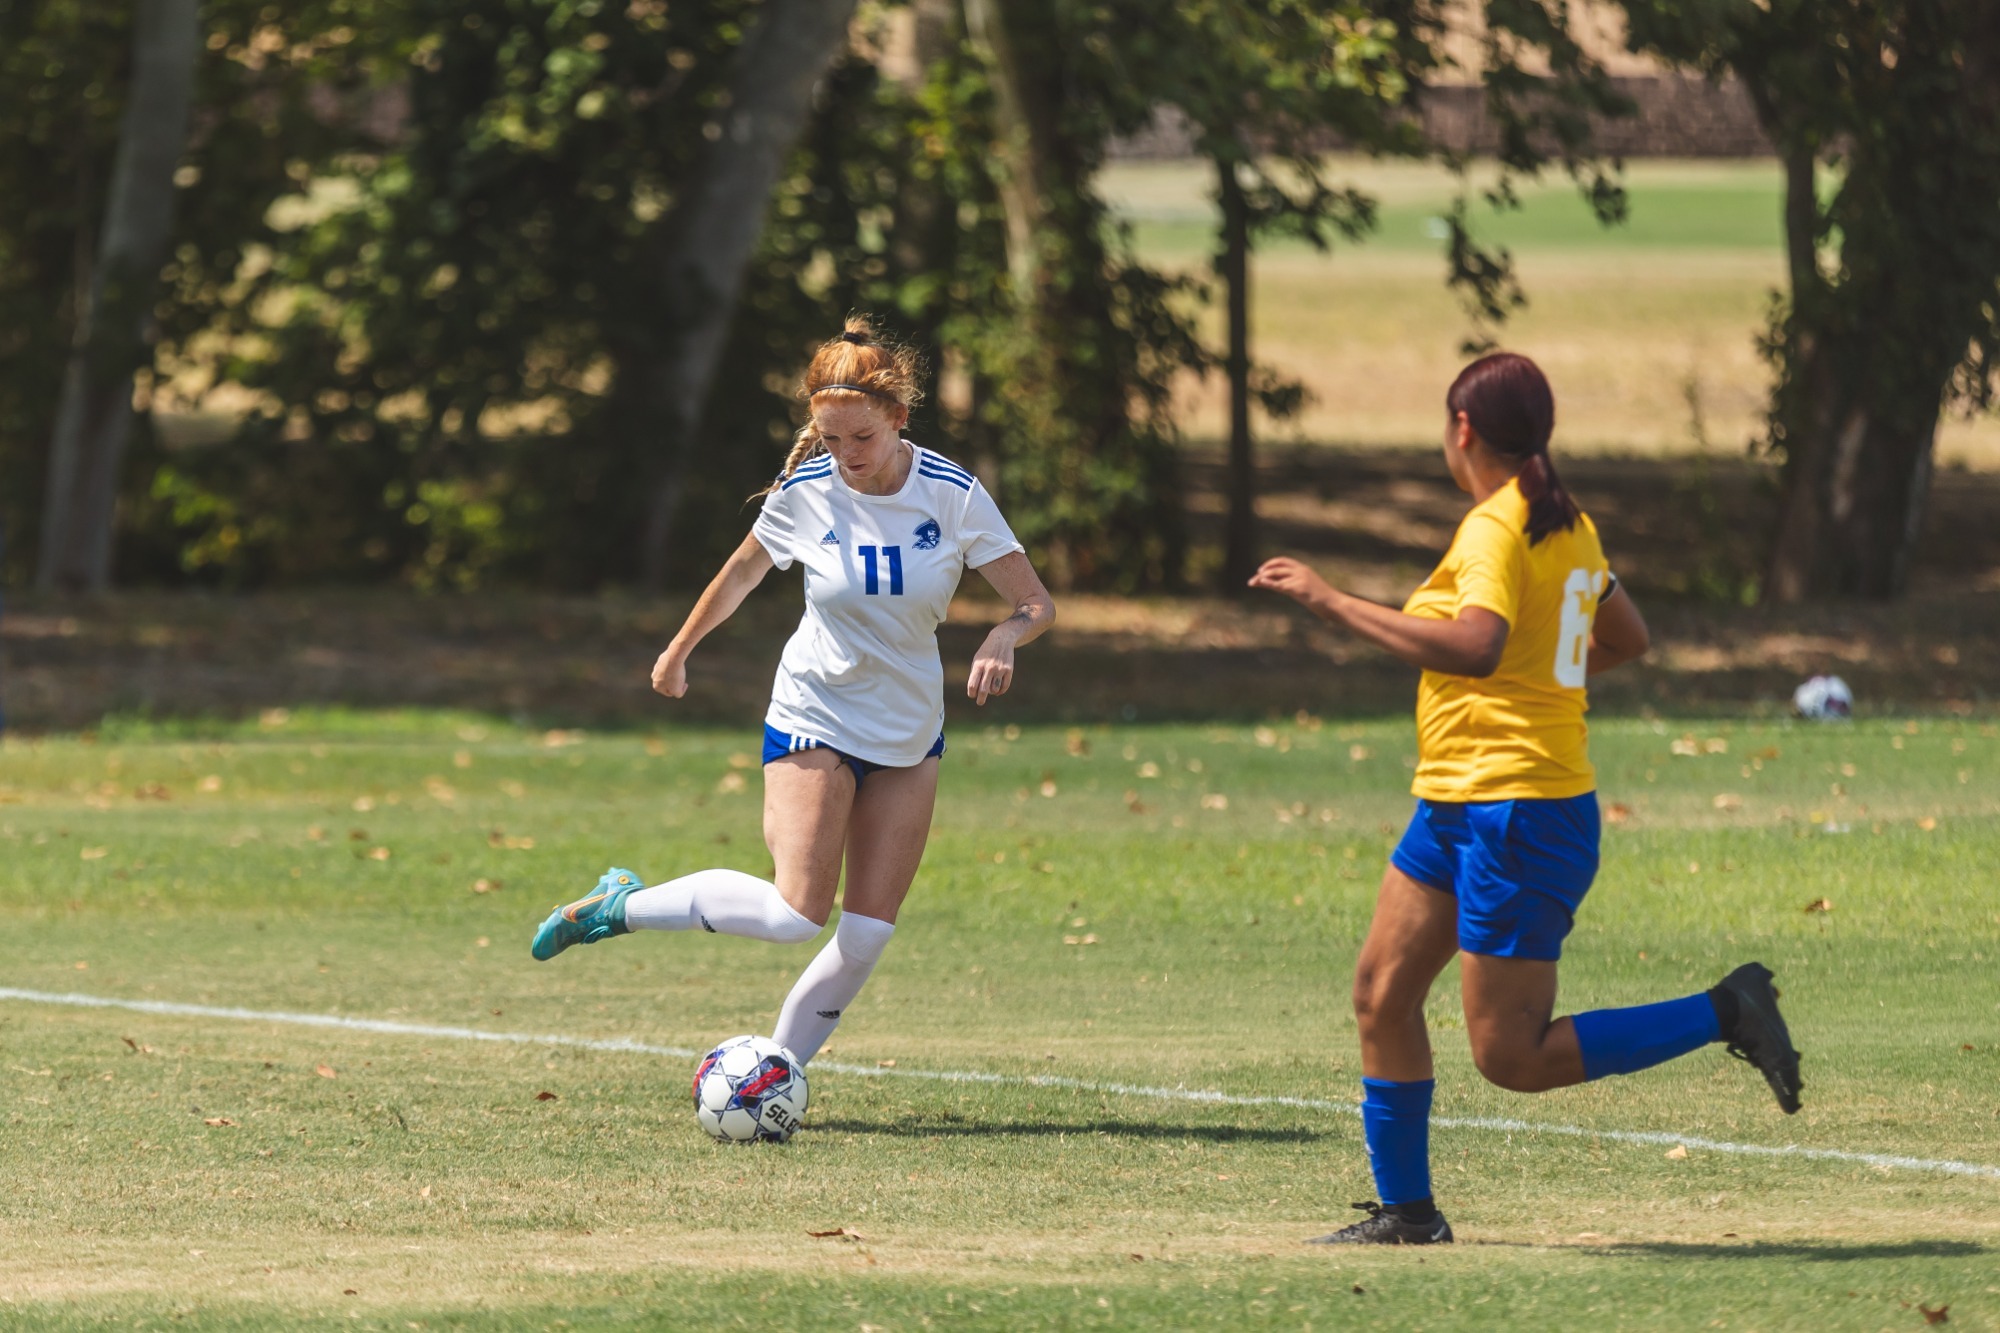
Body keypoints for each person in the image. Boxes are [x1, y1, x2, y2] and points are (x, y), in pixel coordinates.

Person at [1249, 352, 1801, 1246]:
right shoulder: (1561, 521)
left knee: (1512, 1056)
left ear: (1462, 429)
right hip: (1456, 803)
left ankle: (1727, 1009)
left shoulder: (1500, 528)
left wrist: (1329, 599)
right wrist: (1542, 682)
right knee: (1381, 994)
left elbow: (1474, 645)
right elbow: (1626, 636)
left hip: (1524, 812)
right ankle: (1409, 1213)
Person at [529, 319, 1055, 1071]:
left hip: (909, 729)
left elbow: (1037, 604)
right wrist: (680, 649)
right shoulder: (808, 490)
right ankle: (617, 906)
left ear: (899, 419)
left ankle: (772, 1074)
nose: (845, 456)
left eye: (862, 438)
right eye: (830, 438)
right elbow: (742, 571)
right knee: (792, 914)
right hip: (818, 709)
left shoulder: (953, 494)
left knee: (868, 933)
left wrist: (1006, 634)